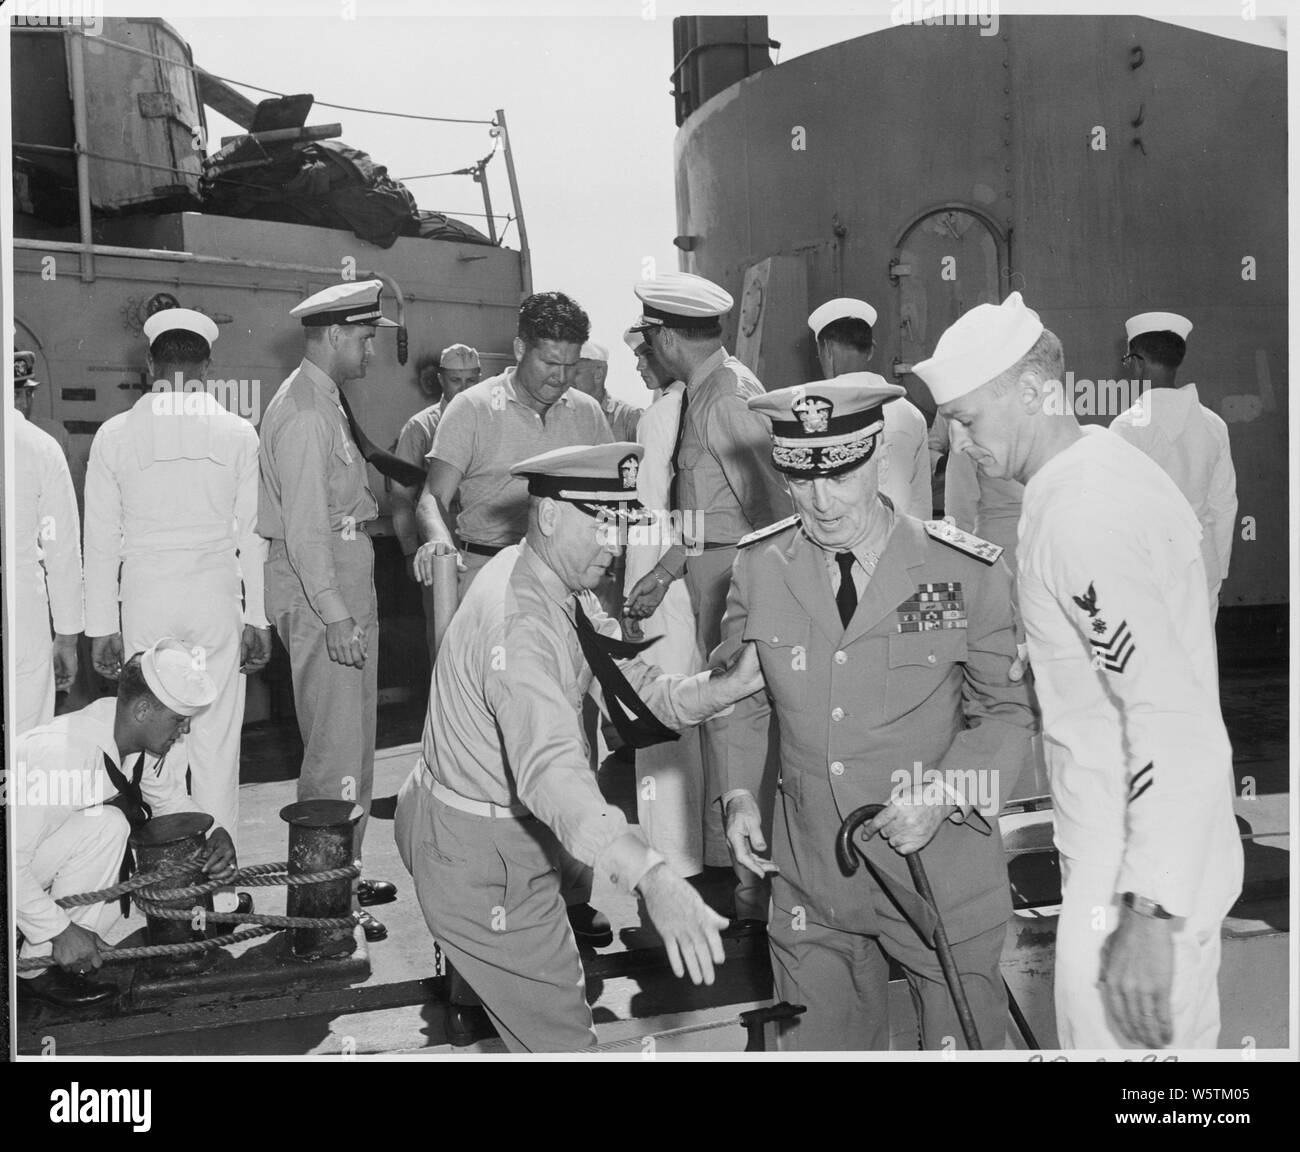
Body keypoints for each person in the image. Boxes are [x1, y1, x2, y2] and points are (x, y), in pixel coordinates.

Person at [919, 292, 1243, 1049]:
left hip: (1132, 869)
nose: (960, 444)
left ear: (1032, 392)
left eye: (968, 419)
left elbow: (1170, 718)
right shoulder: (1090, 473)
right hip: (1139, 851)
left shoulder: (1079, 513)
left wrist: (1149, 912)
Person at [394, 443, 765, 1051]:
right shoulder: (520, 624)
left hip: (509, 835)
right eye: (602, 525)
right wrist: (653, 877)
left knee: (547, 1015)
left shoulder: (557, 587)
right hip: (477, 851)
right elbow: (553, 778)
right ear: (547, 517)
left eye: (622, 526)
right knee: (564, 1037)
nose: (615, 546)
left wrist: (731, 685)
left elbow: (641, 694)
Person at [711, 373, 1035, 1050]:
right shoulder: (760, 567)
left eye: (840, 475)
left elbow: (1005, 712)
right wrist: (739, 794)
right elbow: (740, 698)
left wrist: (948, 794)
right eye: (799, 478)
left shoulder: (959, 571)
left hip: (935, 872)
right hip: (812, 879)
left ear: (878, 457)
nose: (820, 500)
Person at [410, 293, 615, 946]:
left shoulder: (587, 413)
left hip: (561, 595)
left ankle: (571, 897)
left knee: (570, 746)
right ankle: (486, 906)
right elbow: (429, 500)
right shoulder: (472, 409)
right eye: (550, 363)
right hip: (487, 586)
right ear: (521, 349)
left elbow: (616, 498)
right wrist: (436, 539)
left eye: (571, 364)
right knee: (490, 752)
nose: (561, 377)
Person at [622, 271, 793, 923]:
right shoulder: (708, 390)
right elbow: (705, 509)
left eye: (650, 336)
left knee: (735, 720)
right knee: (720, 723)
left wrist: (764, 610)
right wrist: (666, 571)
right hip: (706, 572)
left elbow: (773, 513)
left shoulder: (724, 399)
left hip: (735, 578)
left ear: (667, 337)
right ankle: (736, 872)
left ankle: (754, 893)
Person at [84, 309, 270, 852]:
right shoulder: (238, 433)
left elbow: (99, 539)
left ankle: (172, 871)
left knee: (154, 739)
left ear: (149, 365)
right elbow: (253, 533)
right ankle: (222, 878)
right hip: (215, 592)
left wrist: (101, 626)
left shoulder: (114, 435)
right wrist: (254, 615)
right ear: (208, 368)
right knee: (216, 736)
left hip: (145, 594)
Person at [258, 279, 399, 942]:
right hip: (323, 593)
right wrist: (337, 615)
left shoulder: (325, 400)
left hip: (339, 583)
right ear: (337, 334)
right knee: (335, 747)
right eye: (367, 336)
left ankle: (342, 872)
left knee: (354, 742)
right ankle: (322, 908)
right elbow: (308, 529)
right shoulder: (308, 411)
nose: (372, 348)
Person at [15, 638, 231, 1009]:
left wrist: (215, 834)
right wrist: (60, 930)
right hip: (14, 872)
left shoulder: (128, 743)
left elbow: (171, 803)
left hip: (28, 877)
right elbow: (8, 862)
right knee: (110, 824)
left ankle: (64, 960)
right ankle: (36, 970)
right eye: (179, 720)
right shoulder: (64, 754)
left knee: (111, 826)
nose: (185, 732)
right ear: (144, 710)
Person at [620, 327, 730, 896]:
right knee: (710, 710)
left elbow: (660, 510)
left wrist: (652, 579)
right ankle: (712, 846)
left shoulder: (669, 411)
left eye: (644, 354)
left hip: (666, 570)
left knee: (660, 716)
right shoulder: (724, 390)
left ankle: (671, 858)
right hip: (698, 571)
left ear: (666, 348)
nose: (639, 366)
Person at [1109, 312, 1237, 619]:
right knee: (1200, 659)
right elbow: (1224, 505)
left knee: (1152, 661)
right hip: (1201, 560)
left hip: (1149, 563)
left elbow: (1117, 509)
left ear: (1138, 363)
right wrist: (1218, 570)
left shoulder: (1127, 427)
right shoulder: (1214, 425)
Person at [392, 343, 481, 660]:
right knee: (443, 634)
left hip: (483, 539)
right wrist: (409, 550)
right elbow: (402, 497)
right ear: (441, 380)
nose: (464, 389)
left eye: (471, 381)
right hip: (441, 539)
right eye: (456, 380)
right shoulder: (420, 427)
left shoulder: (487, 420)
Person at [12, 351, 84, 735]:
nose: (25, 403)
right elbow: (61, 549)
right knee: (24, 747)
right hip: (23, 614)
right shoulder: (41, 448)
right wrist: (67, 637)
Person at [807, 298, 931, 518]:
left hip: (841, 545)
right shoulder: (911, 414)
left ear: (825, 349)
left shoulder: (813, 412)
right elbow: (921, 505)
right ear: (871, 350)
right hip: (901, 544)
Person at [571, 340, 642, 442]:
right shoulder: (561, 414)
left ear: (598, 375)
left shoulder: (629, 417)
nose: (565, 379)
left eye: (575, 373)